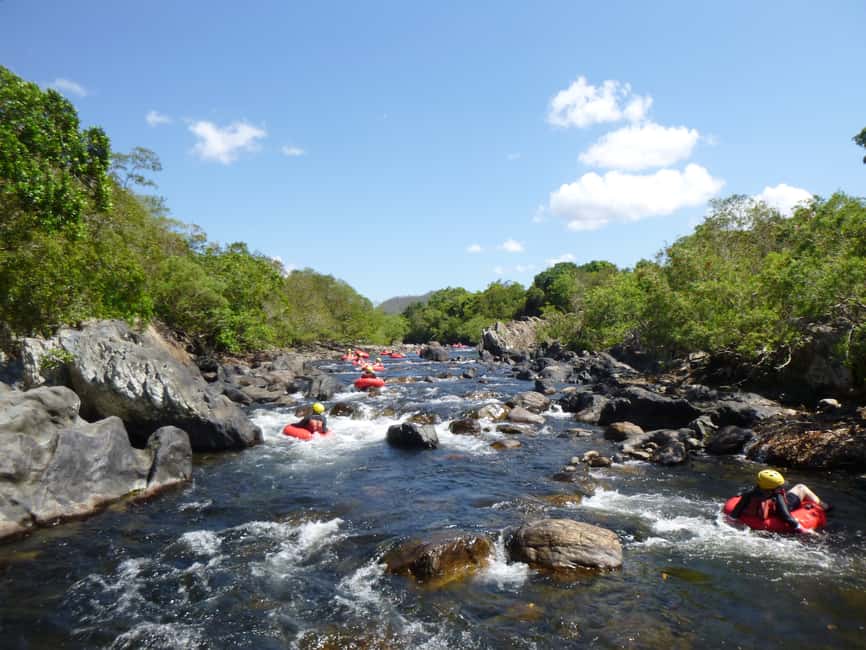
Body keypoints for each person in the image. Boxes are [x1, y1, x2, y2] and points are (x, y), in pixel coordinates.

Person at [730, 469, 830, 534]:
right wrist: (801, 528)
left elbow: (735, 513)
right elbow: (786, 516)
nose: (781, 487)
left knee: (795, 490)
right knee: (801, 487)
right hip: (785, 510)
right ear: (774, 488)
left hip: (762, 516)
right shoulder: (777, 496)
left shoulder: (749, 494)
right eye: (779, 486)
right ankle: (824, 507)